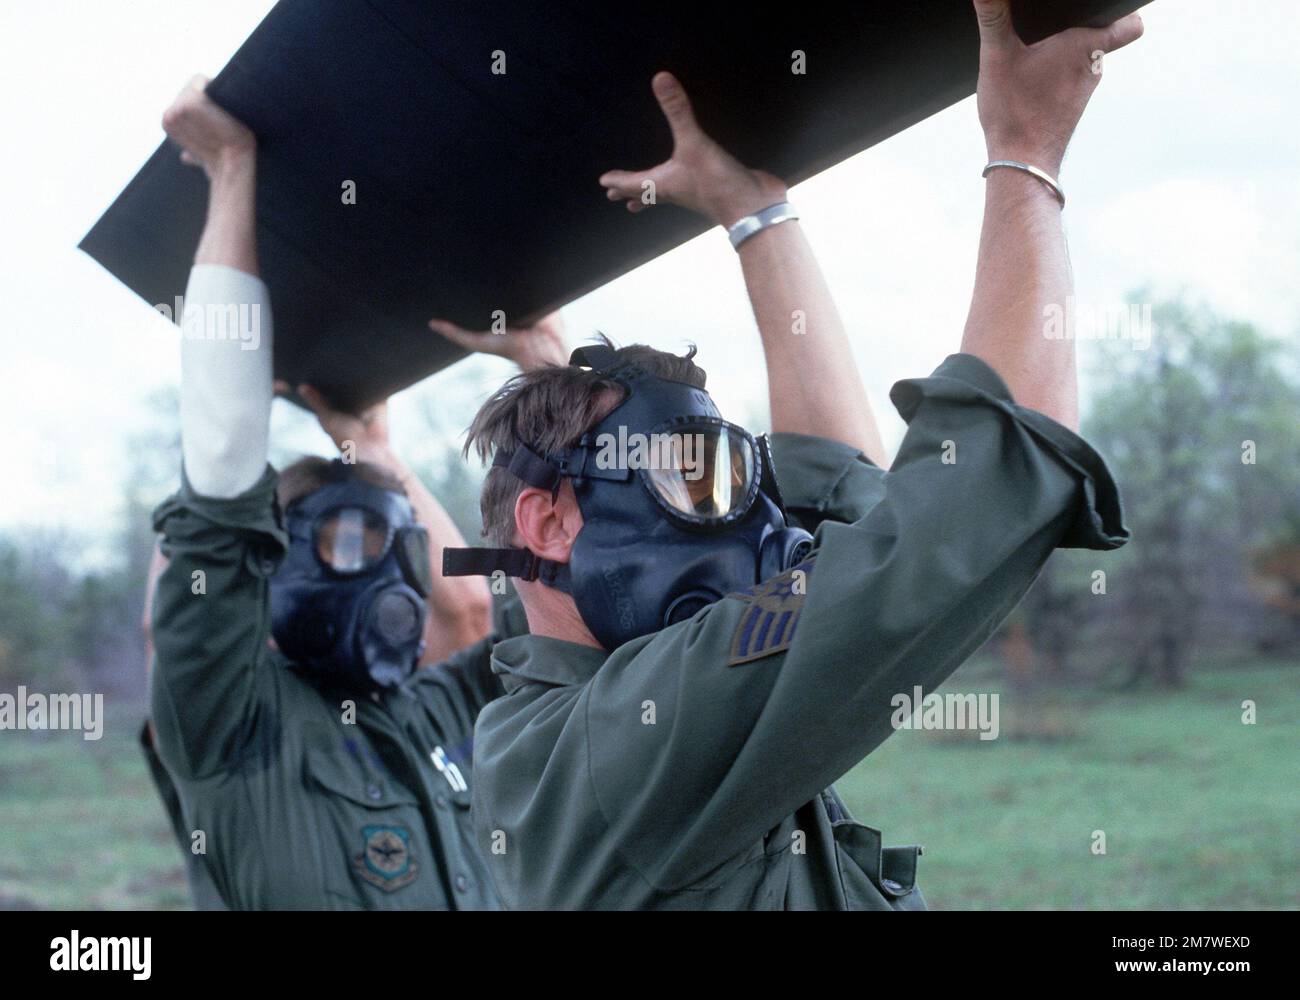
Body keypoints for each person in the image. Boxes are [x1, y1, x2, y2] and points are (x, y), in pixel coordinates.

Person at [448, 0, 1139, 909]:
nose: (751, 521)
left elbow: (841, 485)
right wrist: (1024, 152)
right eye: (694, 478)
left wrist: (753, 210)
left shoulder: (558, 726)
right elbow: (970, 506)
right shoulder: (620, 742)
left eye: (740, 475)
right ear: (549, 520)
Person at [146, 75, 563, 909]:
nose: (386, 585)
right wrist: (234, 170)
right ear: (274, 568)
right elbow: (222, 483)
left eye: (394, 546)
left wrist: (546, 372)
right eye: (343, 545)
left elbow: (550, 582)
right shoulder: (231, 725)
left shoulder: (433, 713)